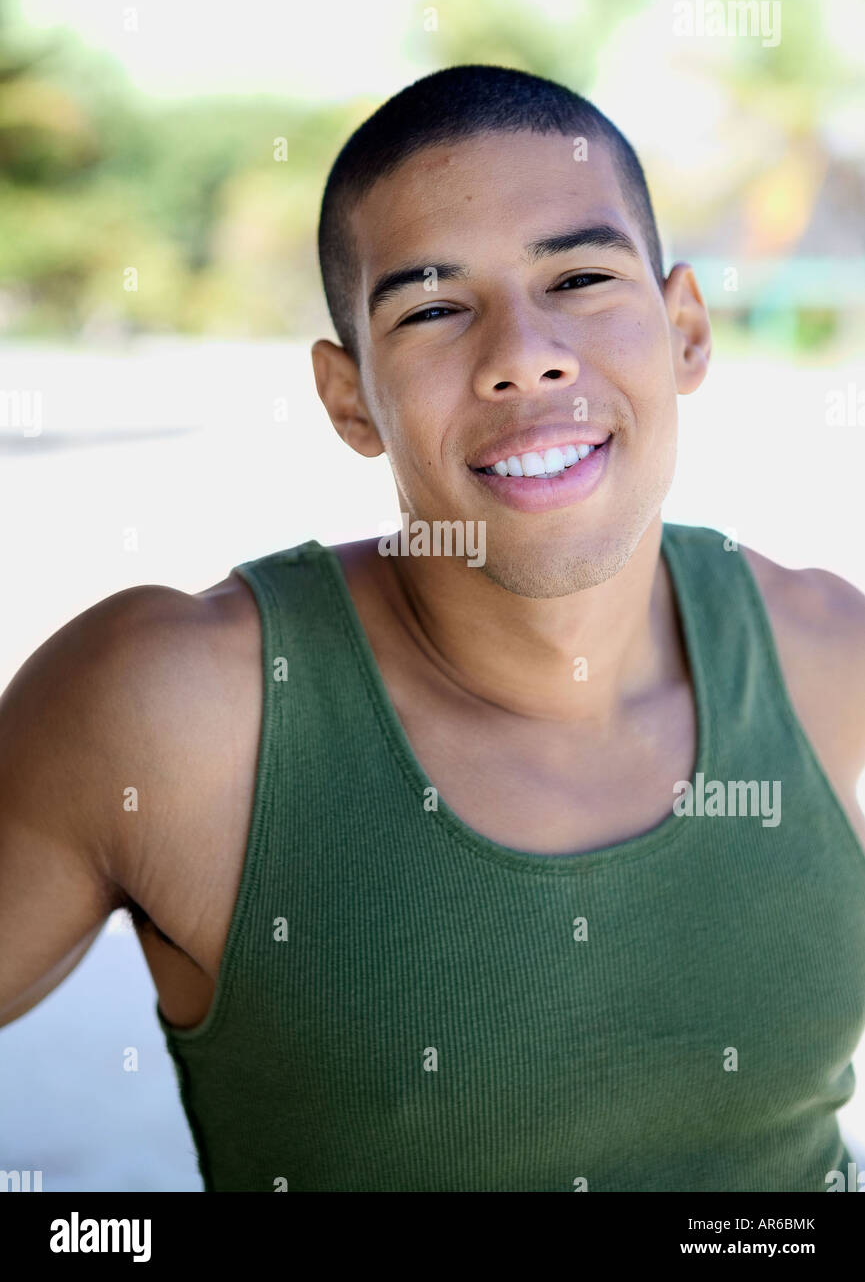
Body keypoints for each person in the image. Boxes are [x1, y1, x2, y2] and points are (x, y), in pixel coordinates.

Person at [2, 64, 864, 1193]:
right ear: (349, 397)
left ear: (685, 329)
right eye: (434, 308)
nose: (523, 354)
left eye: (582, 275)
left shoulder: (828, 654)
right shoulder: (171, 706)